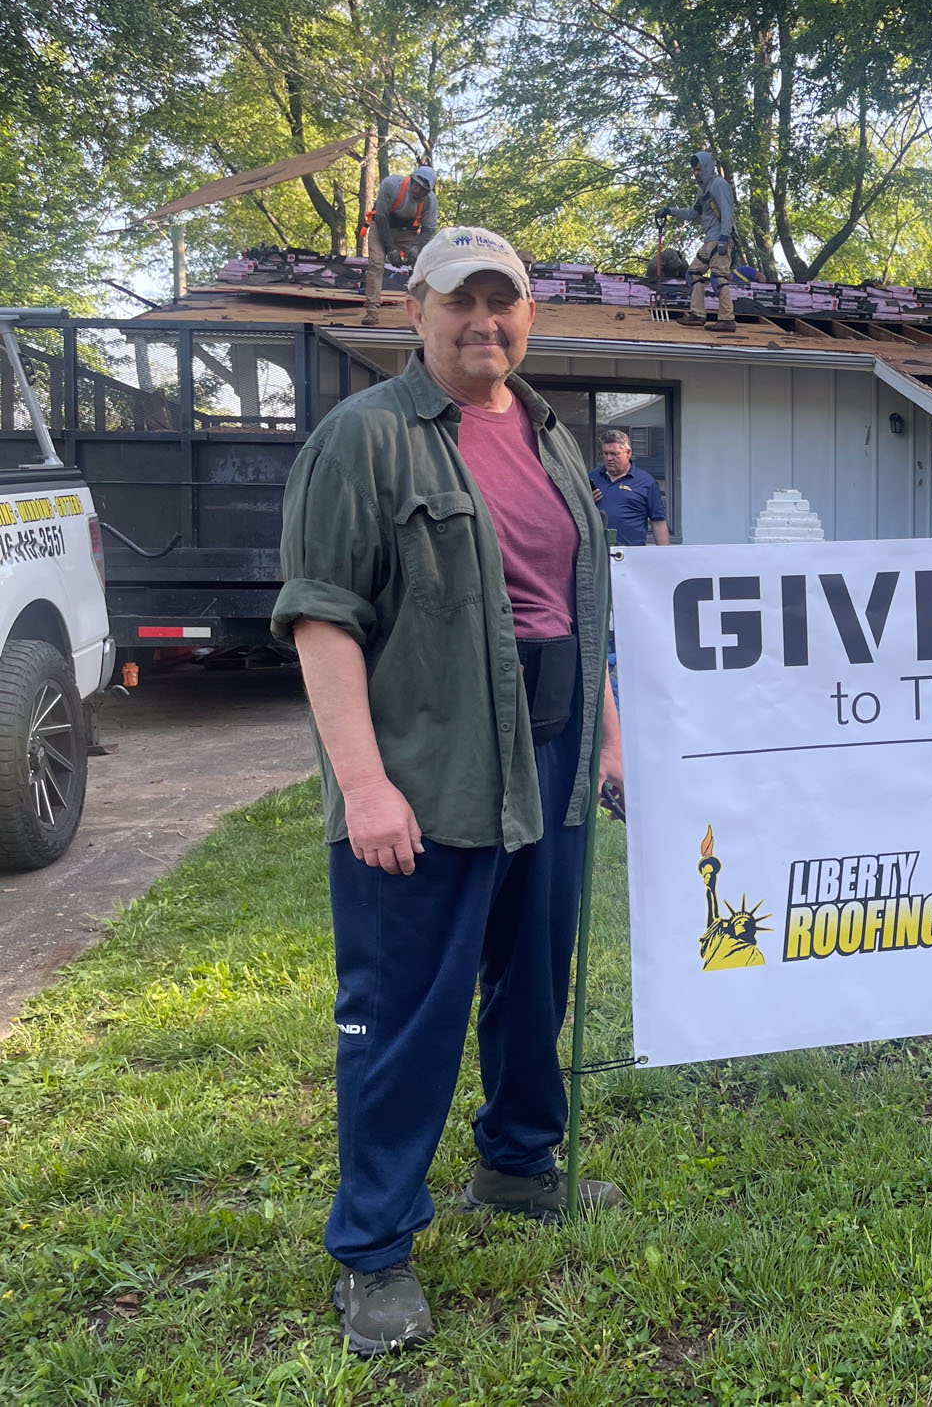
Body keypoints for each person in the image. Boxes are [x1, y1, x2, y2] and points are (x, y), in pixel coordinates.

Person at [274, 224, 627, 1356]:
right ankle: (373, 1251)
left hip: (554, 754)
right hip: (427, 769)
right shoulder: (363, 441)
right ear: (415, 313)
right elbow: (323, 616)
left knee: (535, 981)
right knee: (404, 1013)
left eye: (503, 301)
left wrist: (608, 737)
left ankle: (518, 1165)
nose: (485, 321)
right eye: (459, 300)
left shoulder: (550, 436)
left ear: (528, 315)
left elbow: (582, 609)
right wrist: (364, 783)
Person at [655, 151, 739, 333]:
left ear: (708, 167)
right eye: (694, 171)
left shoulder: (719, 185)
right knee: (693, 273)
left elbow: (726, 212)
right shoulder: (703, 190)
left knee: (719, 277)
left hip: (720, 239)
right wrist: (669, 210)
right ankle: (698, 315)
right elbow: (692, 213)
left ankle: (727, 319)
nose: (696, 174)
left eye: (699, 170)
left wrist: (724, 238)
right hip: (710, 240)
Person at [361, 165, 440, 325]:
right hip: (382, 226)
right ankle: (372, 310)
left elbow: (429, 228)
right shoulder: (391, 186)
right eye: (416, 185)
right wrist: (391, 249)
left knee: (423, 263)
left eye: (423, 190)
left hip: (407, 231)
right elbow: (381, 217)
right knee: (376, 263)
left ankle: (425, 312)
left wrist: (416, 247)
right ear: (411, 180)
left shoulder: (430, 202)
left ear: (428, 192)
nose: (418, 191)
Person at [589, 428, 670, 546]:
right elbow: (576, 514)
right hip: (597, 555)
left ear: (628, 453)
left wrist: (665, 557)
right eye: (605, 454)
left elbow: (658, 522)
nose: (609, 458)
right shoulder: (591, 478)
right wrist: (586, 502)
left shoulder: (646, 482)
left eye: (614, 454)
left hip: (631, 555)